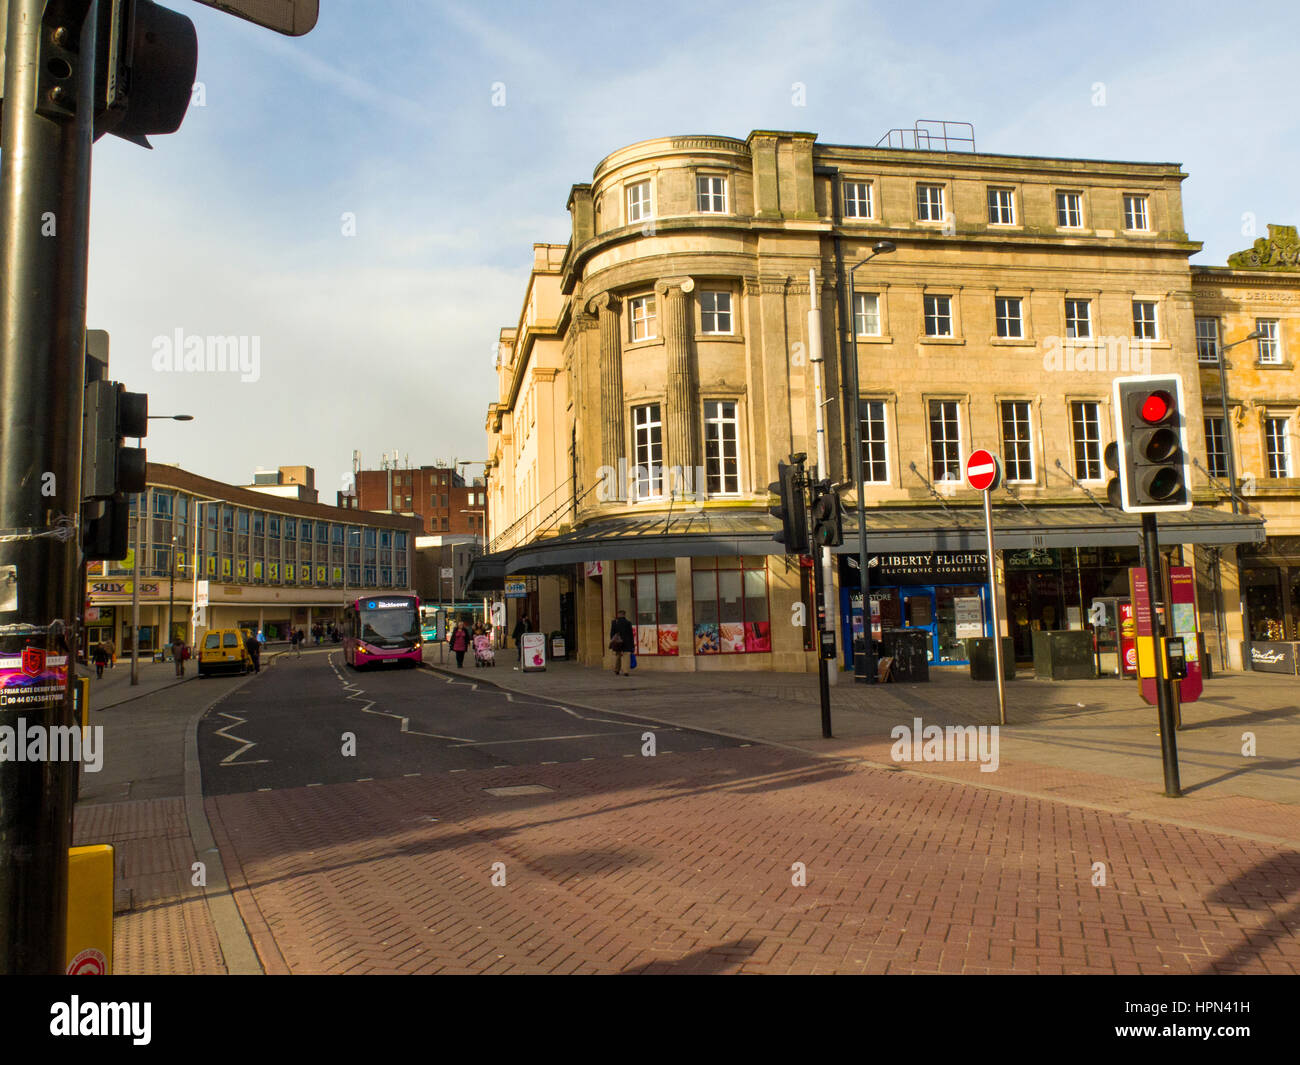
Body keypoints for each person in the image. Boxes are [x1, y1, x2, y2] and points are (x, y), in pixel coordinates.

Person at [609, 609, 635, 676]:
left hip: (618, 642)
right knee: (626, 657)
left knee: (618, 655)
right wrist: (632, 645)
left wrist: (613, 641)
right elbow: (631, 634)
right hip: (627, 642)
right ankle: (626, 671)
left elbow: (612, 633)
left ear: (619, 614)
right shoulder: (628, 622)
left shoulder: (614, 622)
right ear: (624, 614)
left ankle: (617, 670)